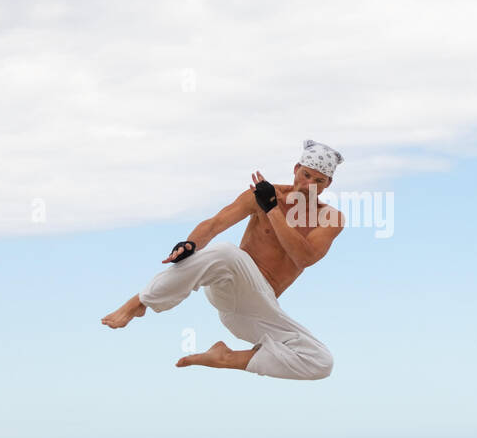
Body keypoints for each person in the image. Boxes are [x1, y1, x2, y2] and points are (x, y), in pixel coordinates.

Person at [100, 139, 345, 380]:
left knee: (321, 362)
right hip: (229, 284)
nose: (308, 184)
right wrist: (190, 244)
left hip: (256, 310)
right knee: (227, 252)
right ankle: (140, 302)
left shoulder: (330, 218)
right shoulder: (263, 195)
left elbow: (304, 258)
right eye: (306, 174)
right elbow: (215, 224)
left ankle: (225, 357)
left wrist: (273, 211)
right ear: (295, 169)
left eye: (318, 180)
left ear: (328, 184)